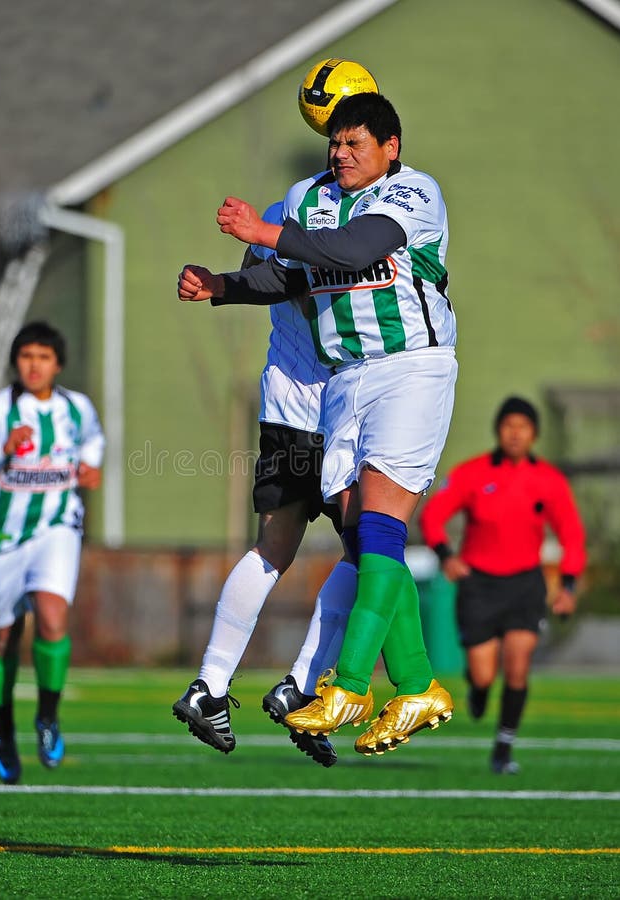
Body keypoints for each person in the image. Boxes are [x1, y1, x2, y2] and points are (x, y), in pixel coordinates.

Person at [177, 91, 458, 757]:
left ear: (390, 148)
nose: (340, 154)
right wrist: (222, 286)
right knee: (363, 533)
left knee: (380, 524)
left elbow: (357, 246)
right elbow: (294, 277)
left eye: (355, 143)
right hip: (344, 380)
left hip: (410, 367)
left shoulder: (414, 192)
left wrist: (262, 231)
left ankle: (348, 682)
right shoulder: (313, 199)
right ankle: (415, 684)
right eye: (335, 143)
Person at [174, 201, 358, 767]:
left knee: (271, 551)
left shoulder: (282, 210)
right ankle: (301, 688)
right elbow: (287, 279)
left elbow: (265, 274)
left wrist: (221, 284)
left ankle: (209, 685)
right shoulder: (370, 215)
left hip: (283, 410)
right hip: (343, 412)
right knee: (372, 553)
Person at [0, 321, 105, 784]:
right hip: (0, 539)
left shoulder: (76, 408)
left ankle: (48, 718)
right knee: (2, 638)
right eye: (26, 356)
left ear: (57, 363)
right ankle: (2, 729)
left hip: (56, 528)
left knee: (53, 619)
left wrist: (91, 467)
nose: (34, 365)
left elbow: (93, 439)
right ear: (16, 362)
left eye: (43, 357)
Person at [419, 396, 586, 773]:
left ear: (534, 434)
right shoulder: (472, 474)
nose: (515, 433)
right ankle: (478, 691)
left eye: (523, 427)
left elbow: (572, 535)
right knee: (483, 674)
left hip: (525, 586)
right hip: (479, 585)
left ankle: (503, 748)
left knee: (518, 668)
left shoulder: (548, 480)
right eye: (508, 425)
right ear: (498, 430)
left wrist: (568, 586)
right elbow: (434, 515)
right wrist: (446, 556)